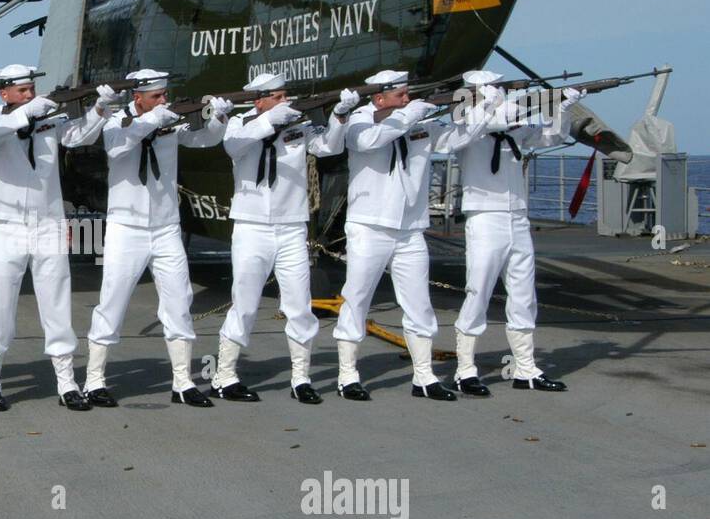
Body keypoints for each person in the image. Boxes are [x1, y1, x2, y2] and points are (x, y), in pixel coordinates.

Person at [332, 69, 484, 402]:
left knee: (419, 305)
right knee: (357, 299)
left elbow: (459, 139)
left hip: (410, 229)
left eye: (408, 95)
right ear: (379, 98)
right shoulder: (361, 120)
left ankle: (424, 376)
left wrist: (480, 107)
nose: (407, 99)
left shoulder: (416, 123)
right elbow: (367, 141)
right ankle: (347, 375)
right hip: (369, 226)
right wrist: (409, 113)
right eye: (401, 95)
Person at [0, 64, 113, 413]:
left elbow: (78, 136)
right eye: (21, 91)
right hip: (7, 223)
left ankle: (66, 381)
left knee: (57, 303)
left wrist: (99, 109)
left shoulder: (49, 117)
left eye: (31, 89)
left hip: (48, 221)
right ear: (4, 94)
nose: (30, 95)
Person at [82, 69, 226, 407]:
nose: (164, 100)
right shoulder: (118, 122)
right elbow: (117, 150)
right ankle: (93, 380)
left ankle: (182, 381)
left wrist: (218, 118)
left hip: (165, 227)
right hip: (126, 227)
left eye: (165, 95)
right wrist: (153, 121)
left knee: (179, 300)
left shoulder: (170, 120)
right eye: (156, 97)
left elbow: (204, 140)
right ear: (138, 98)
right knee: (112, 302)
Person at [212, 73, 358, 404]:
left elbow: (328, 147)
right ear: (259, 100)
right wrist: (268, 122)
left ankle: (301, 377)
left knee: (298, 305)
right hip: (251, 226)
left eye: (285, 96)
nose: (285, 102)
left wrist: (339, 116)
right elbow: (233, 147)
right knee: (245, 304)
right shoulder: (239, 124)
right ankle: (224, 376)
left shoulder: (299, 125)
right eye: (277, 97)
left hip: (292, 226)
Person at [449, 72, 583, 394]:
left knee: (524, 295)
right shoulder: (467, 122)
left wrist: (561, 108)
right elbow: (491, 121)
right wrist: (528, 101)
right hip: (484, 217)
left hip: (517, 216)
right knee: (477, 292)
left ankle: (526, 368)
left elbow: (551, 138)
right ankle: (465, 369)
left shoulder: (513, 128)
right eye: (496, 89)